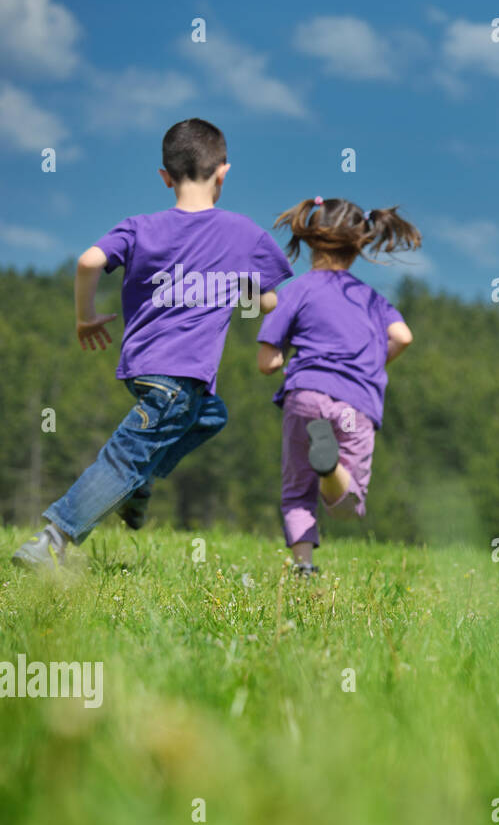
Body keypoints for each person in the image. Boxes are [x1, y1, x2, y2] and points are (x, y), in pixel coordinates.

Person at [12, 118, 292, 569]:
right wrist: (235, 288)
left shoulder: (140, 226)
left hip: (144, 372)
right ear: (223, 172)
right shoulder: (243, 234)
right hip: (179, 379)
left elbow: (88, 261)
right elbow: (269, 302)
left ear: (166, 176)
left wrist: (85, 318)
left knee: (211, 415)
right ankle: (51, 541)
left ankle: (138, 485)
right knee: (122, 459)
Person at [256, 197, 420, 575]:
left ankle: (303, 568)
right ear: (358, 244)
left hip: (305, 396)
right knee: (348, 505)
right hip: (355, 404)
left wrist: (283, 358)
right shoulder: (371, 298)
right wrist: (369, 365)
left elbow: (268, 362)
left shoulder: (295, 290)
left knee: (297, 494)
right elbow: (404, 336)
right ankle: (330, 470)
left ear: (311, 237)